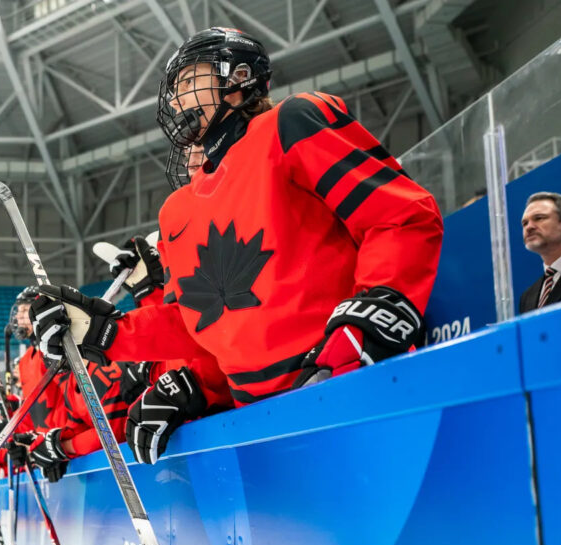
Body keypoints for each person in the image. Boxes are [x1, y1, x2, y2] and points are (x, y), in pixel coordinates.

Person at [29, 27, 442, 464]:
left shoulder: (291, 122)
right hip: (251, 423)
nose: (176, 100)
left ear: (239, 77)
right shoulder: (176, 212)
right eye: (174, 91)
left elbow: (399, 215)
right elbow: (193, 325)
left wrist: (375, 311)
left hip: (346, 389)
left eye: (189, 82)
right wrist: (105, 332)